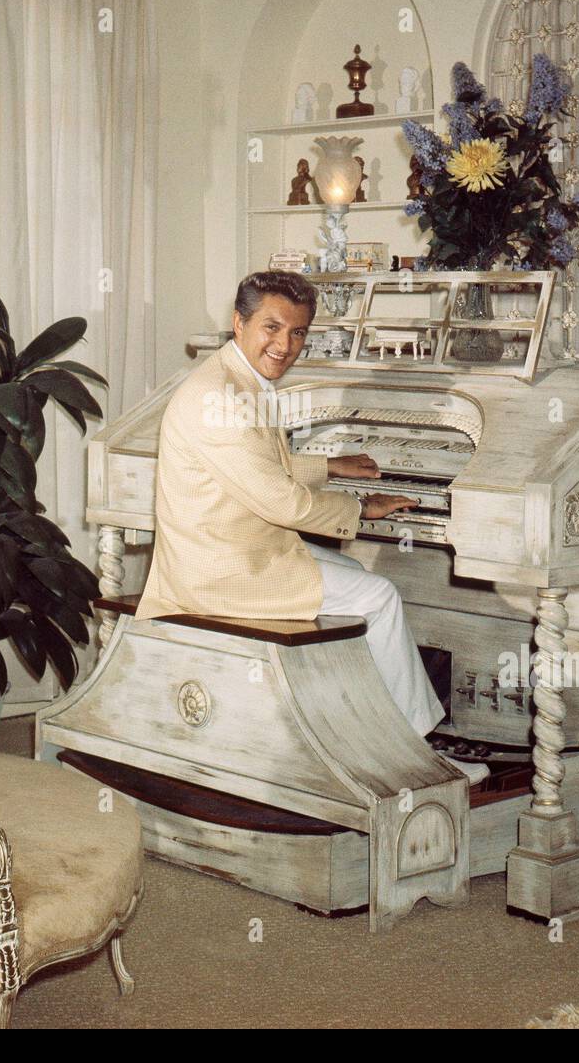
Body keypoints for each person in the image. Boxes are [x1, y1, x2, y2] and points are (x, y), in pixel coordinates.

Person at [135, 269, 489, 784]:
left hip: (235, 549)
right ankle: (414, 759)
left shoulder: (232, 376)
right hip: (221, 572)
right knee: (380, 596)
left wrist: (329, 466)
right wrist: (361, 508)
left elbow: (252, 467)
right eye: (272, 328)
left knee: (348, 573)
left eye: (298, 332)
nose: (285, 345)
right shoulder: (223, 401)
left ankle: (358, 734)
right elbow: (281, 501)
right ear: (239, 323)